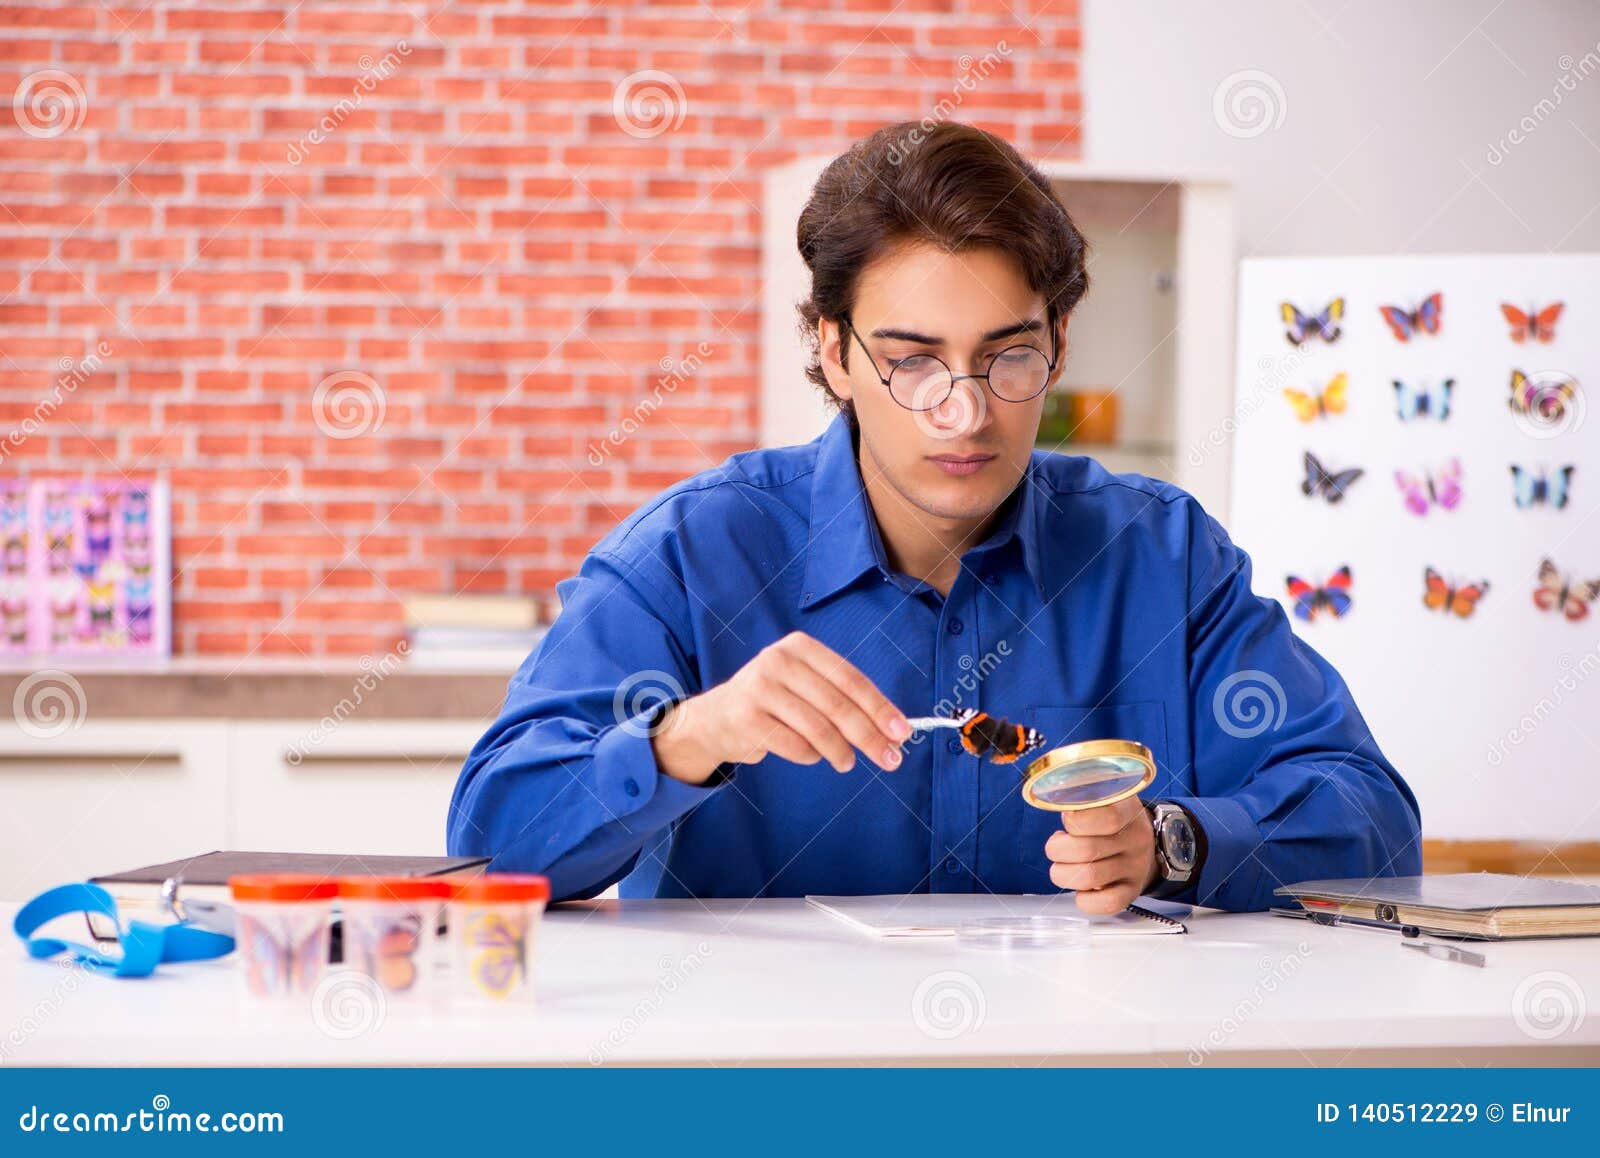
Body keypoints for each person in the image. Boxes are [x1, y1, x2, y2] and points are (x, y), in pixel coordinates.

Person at [447, 120, 1421, 913]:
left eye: (1008, 356)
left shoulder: (1161, 557)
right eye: (912, 361)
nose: (964, 411)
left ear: (1059, 343)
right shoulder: (688, 557)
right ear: (834, 354)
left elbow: (1372, 823)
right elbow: (490, 849)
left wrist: (1172, 842)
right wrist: (687, 738)